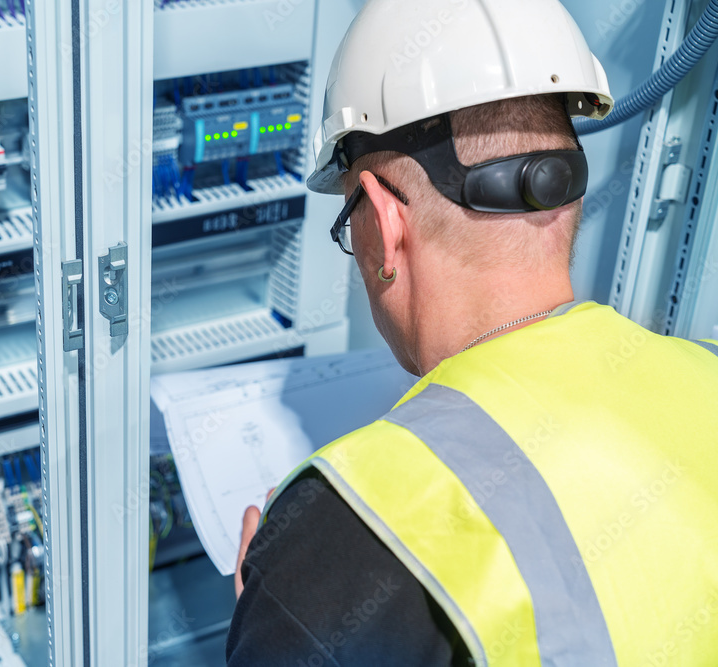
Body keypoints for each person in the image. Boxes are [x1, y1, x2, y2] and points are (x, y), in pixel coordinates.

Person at [226, 1, 718, 665]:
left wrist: (276, 610)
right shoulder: (703, 372)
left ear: (383, 221)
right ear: (561, 181)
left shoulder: (331, 541)